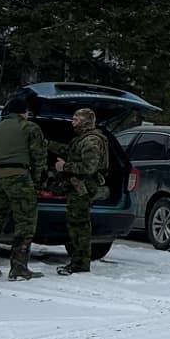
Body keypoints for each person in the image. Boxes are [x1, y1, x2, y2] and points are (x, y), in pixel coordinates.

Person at [0, 94, 48, 280]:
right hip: (19, 177)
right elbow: (38, 156)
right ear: (24, 112)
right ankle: (19, 267)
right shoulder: (29, 127)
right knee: (25, 222)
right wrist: (36, 180)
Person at [52, 106, 107, 275]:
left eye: (76, 120)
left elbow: (88, 167)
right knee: (76, 224)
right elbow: (68, 151)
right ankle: (78, 260)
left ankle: (80, 263)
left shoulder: (91, 141)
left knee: (80, 226)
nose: (72, 122)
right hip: (78, 187)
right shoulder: (81, 139)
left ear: (85, 122)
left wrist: (64, 167)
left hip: (82, 188)